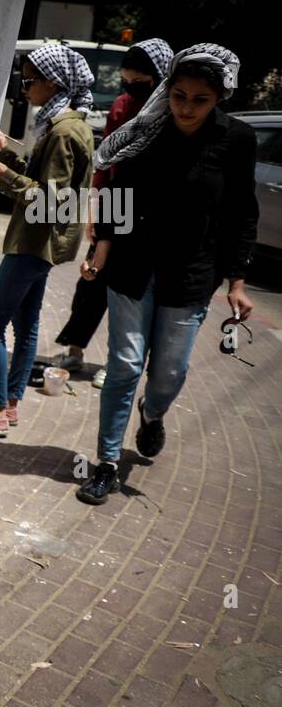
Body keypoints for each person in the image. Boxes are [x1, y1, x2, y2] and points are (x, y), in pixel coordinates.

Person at [76, 43, 257, 504]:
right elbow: (121, 193)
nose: (186, 108)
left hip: (193, 275)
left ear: (219, 98)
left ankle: (152, 414)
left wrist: (237, 281)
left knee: (169, 373)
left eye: (200, 100)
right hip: (134, 267)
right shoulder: (148, 130)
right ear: (167, 91)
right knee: (123, 365)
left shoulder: (236, 140)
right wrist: (100, 251)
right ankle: (107, 462)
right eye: (178, 96)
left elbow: (240, 212)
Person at [0, 45, 95, 436]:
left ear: (54, 82)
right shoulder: (68, 125)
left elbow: (50, 197)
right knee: (26, 327)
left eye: (29, 81)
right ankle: (11, 404)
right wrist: (8, 160)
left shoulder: (63, 132)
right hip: (44, 243)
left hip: (34, 242)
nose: (24, 88)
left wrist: (4, 176)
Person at [52, 39, 174, 389]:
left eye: (138, 81)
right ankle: (74, 350)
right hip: (116, 204)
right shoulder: (122, 105)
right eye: (126, 78)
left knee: (130, 291)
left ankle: (114, 362)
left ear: (157, 79)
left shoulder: (169, 111)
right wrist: (96, 212)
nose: (130, 86)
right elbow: (105, 163)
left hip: (150, 214)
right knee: (91, 282)